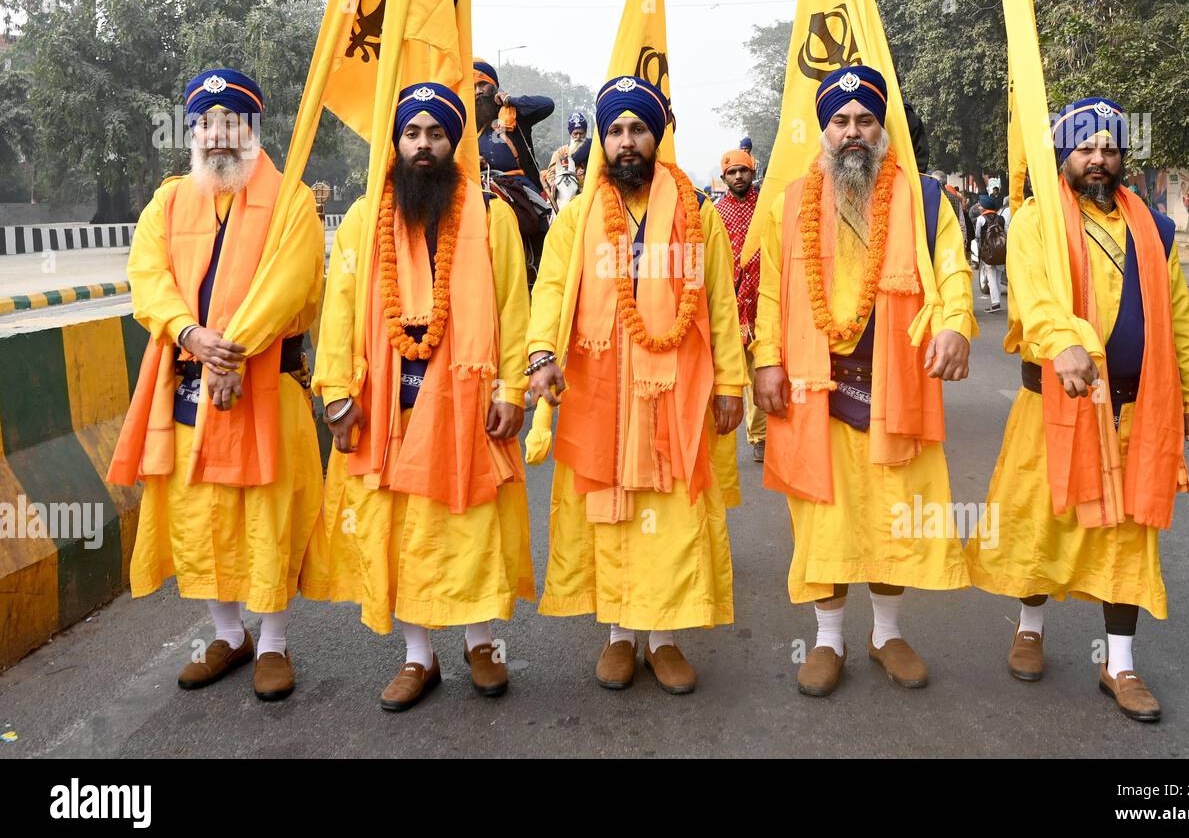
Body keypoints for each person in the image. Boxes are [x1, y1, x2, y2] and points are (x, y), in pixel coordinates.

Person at [967, 96, 1189, 723]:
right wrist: (1065, 344)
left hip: (1135, 409)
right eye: (1086, 148)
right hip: (1052, 400)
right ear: (1064, 155)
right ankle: (1029, 628)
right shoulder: (1035, 223)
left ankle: (1121, 664)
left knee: (1129, 535)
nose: (1099, 159)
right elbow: (1036, 295)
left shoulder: (1152, 227)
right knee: (1040, 519)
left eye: (1109, 148)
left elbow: (1179, 321)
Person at [305, 81, 533, 712]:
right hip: (387, 407)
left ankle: (481, 643)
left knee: (468, 525)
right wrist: (336, 394)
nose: (423, 146)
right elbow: (340, 311)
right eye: (412, 134)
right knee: (398, 533)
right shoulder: (360, 220)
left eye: (436, 133)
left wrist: (512, 387)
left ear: (454, 141)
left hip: (464, 404)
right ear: (396, 142)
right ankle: (418, 656)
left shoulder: (493, 216)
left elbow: (514, 309)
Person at [753, 65, 975, 698]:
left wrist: (956, 325)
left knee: (893, 514)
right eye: (841, 121)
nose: (853, 132)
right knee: (823, 517)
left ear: (882, 129)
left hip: (895, 383)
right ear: (824, 130)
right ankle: (828, 640)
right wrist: (766, 360)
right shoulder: (790, 202)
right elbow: (771, 293)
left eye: (865, 120)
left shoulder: (926, 198)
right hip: (814, 388)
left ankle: (885, 632)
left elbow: (954, 273)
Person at [108, 68, 325, 701]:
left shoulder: (293, 202)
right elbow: (148, 277)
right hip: (187, 388)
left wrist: (228, 354)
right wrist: (188, 334)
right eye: (206, 122)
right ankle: (228, 635)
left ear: (253, 131)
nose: (218, 134)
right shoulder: (168, 202)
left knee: (266, 515)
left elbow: (292, 286)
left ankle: (275, 643)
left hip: (263, 384)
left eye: (232, 122)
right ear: (193, 130)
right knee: (201, 518)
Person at [526, 75, 746, 695]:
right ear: (603, 139)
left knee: (673, 513)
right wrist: (541, 352)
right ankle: (621, 634)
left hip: (677, 389)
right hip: (602, 389)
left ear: (657, 137)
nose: (627, 142)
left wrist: (731, 380)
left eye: (639, 130)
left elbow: (721, 306)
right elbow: (551, 291)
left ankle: (666, 637)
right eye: (616, 130)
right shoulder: (577, 216)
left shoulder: (698, 214)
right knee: (610, 511)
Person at [474, 58, 553, 281]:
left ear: (494, 87)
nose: (478, 92)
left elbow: (547, 105)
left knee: (537, 221)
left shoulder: (514, 115)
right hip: (479, 184)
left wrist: (511, 99)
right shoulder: (466, 126)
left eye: (483, 85)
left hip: (518, 186)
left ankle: (541, 268)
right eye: (473, 88)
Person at [714, 147, 765, 462]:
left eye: (742, 171)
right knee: (730, 372)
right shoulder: (716, 213)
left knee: (761, 371)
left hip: (762, 302)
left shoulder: (767, 207)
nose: (737, 177)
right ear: (723, 178)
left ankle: (759, 436)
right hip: (730, 306)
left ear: (752, 173)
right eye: (731, 172)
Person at [971, 194, 1007, 312]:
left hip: (988, 253)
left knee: (991, 278)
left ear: (985, 206)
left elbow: (977, 235)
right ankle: (997, 302)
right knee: (997, 277)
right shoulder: (1001, 218)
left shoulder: (981, 219)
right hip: (1001, 252)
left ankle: (995, 304)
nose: (978, 206)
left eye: (980, 204)